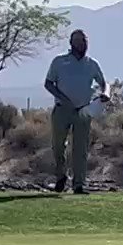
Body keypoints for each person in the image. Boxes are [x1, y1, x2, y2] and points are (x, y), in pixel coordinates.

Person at [44, 30, 108, 194]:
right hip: (62, 110)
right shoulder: (59, 62)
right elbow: (49, 83)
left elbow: (104, 82)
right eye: (79, 41)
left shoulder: (91, 63)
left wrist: (106, 93)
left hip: (83, 110)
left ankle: (78, 184)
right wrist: (63, 98)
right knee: (58, 146)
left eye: (85, 41)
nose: (83, 44)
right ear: (71, 43)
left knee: (81, 149)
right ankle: (61, 177)